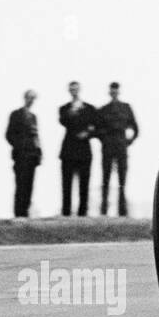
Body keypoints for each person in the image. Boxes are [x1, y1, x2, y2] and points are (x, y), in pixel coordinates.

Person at [96, 82, 138, 216]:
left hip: (121, 146)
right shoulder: (103, 110)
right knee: (106, 178)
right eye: (112, 90)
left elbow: (135, 129)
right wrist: (105, 139)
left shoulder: (126, 108)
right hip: (108, 146)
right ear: (109, 92)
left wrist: (128, 141)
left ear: (118, 92)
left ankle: (122, 210)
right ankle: (104, 210)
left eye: (116, 90)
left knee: (122, 179)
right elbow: (97, 130)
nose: (114, 92)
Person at [58, 81, 96, 216]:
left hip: (84, 151)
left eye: (76, 89)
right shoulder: (64, 109)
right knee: (66, 184)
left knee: (84, 184)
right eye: (71, 89)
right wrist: (73, 112)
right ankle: (66, 212)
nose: (74, 91)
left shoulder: (90, 108)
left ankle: (82, 212)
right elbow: (63, 121)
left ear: (79, 90)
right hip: (68, 151)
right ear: (69, 91)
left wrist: (88, 133)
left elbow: (96, 126)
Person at [5, 89, 41, 217]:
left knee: (29, 185)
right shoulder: (16, 114)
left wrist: (38, 152)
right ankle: (18, 212)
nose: (30, 100)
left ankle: (25, 211)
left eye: (33, 98)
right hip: (21, 156)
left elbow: (36, 136)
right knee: (20, 184)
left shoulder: (33, 117)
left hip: (32, 156)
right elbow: (9, 134)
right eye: (29, 97)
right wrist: (20, 146)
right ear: (24, 98)